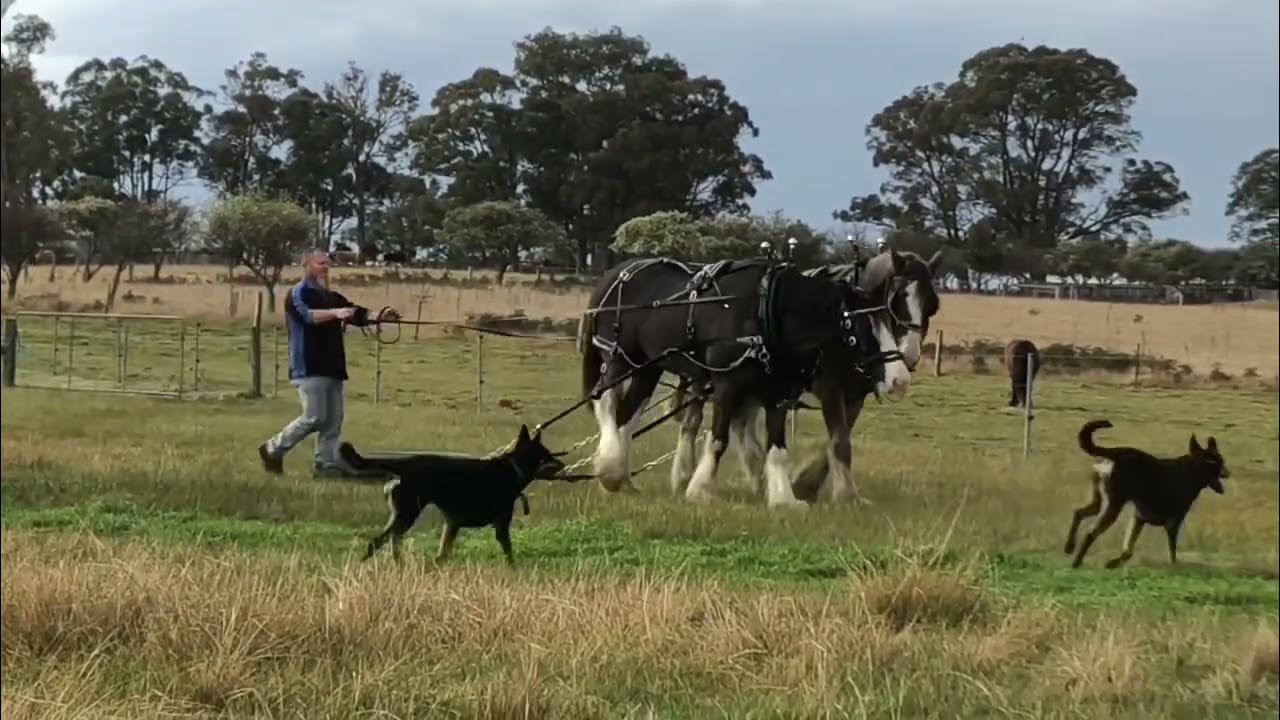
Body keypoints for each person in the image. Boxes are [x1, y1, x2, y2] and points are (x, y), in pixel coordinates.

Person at [258, 249, 399, 477]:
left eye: (327, 263)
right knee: (314, 417)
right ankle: (272, 449)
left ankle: (325, 465)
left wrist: (381, 316)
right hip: (309, 364)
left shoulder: (331, 296)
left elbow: (356, 314)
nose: (325, 267)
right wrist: (336, 313)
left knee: (333, 420)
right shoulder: (297, 293)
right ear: (306, 265)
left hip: (333, 365)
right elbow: (308, 316)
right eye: (320, 263)